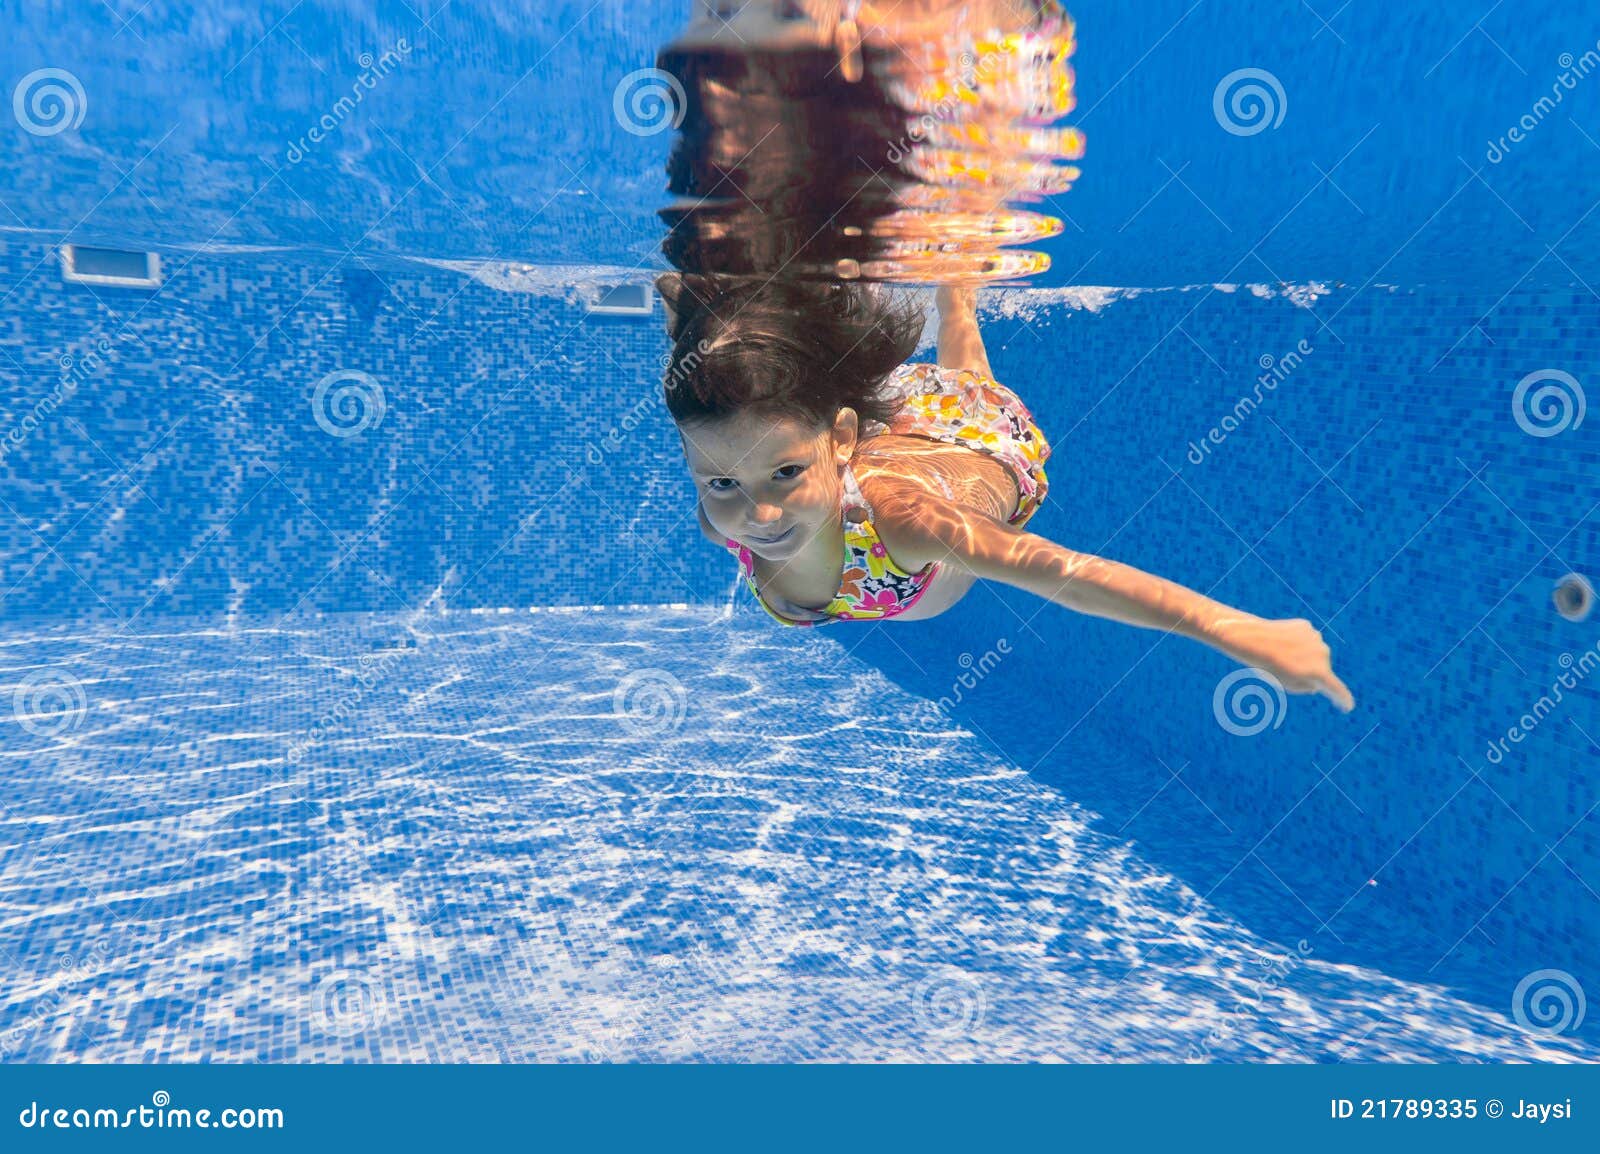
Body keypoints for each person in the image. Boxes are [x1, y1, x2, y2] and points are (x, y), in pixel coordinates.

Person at [659, 273, 1355, 712]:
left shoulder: (905, 524)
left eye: (785, 474)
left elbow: (1064, 575)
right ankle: (953, 294)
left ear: (839, 443)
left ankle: (956, 291)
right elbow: (718, 413)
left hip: (973, 448)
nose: (760, 512)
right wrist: (686, 322)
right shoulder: (725, 512)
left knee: (972, 382)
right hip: (891, 430)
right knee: (946, 382)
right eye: (721, 482)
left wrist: (1230, 627)